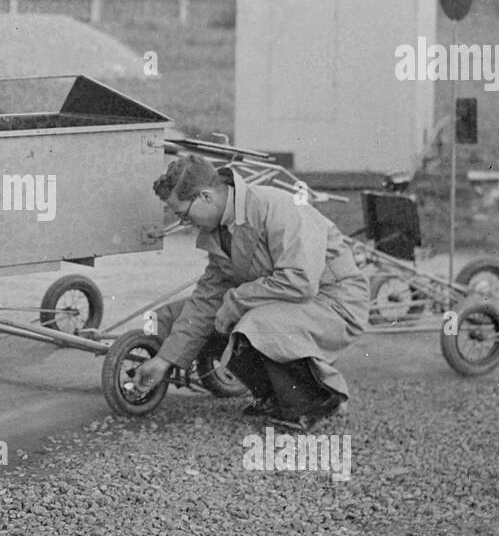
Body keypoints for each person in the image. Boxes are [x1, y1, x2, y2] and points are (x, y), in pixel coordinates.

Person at [131, 155, 369, 430]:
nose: (186, 223)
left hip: (335, 302)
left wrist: (236, 300)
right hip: (292, 303)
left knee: (252, 324)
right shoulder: (218, 231)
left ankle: (315, 401)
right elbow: (206, 300)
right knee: (201, 315)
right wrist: (163, 361)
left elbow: (301, 280)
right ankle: (275, 397)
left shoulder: (278, 206)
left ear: (206, 196)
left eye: (185, 214)